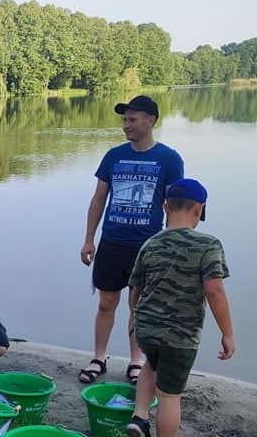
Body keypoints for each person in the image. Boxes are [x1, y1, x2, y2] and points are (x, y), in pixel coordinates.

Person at [124, 179, 234, 437]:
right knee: (171, 396)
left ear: (165, 207)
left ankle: (140, 416)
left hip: (147, 327)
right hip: (180, 336)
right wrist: (227, 332)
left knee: (150, 363)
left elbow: (134, 286)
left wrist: (133, 317)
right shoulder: (208, 245)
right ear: (199, 210)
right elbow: (214, 291)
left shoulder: (151, 242)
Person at [79, 95, 184, 386]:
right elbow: (99, 198)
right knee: (106, 303)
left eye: (132, 119)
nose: (126, 125)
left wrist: (170, 244)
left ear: (150, 121)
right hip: (112, 242)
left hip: (147, 247)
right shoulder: (114, 156)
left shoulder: (169, 159)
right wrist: (89, 239)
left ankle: (135, 362)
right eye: (124, 120)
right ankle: (99, 358)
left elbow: (175, 207)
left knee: (139, 307)